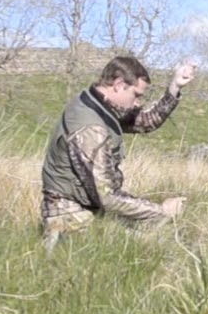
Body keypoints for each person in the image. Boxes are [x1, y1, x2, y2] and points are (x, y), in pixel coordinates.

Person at [40, 55, 196, 250]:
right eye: (136, 95)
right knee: (156, 247)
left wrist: (175, 87)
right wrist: (162, 211)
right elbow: (107, 197)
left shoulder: (96, 102)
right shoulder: (91, 128)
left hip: (87, 209)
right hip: (69, 218)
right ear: (118, 84)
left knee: (161, 238)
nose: (137, 103)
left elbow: (145, 121)